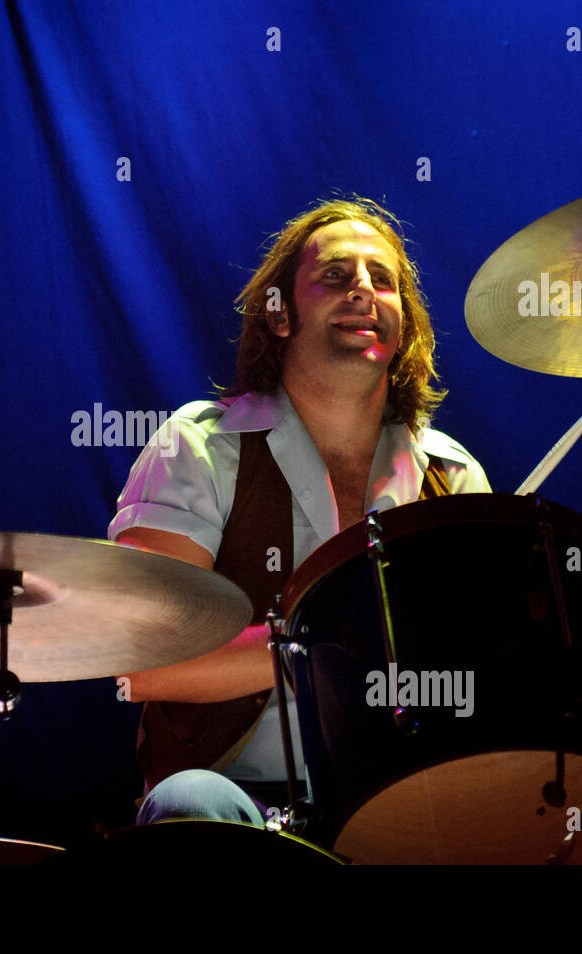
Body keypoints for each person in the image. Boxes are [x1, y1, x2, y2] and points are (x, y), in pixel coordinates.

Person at [107, 195, 491, 825]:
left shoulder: (450, 475)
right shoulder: (200, 445)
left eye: (383, 280)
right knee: (191, 803)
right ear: (280, 316)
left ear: (405, 328)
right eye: (336, 276)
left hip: (413, 799)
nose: (364, 292)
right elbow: (144, 663)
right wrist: (318, 648)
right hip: (246, 799)